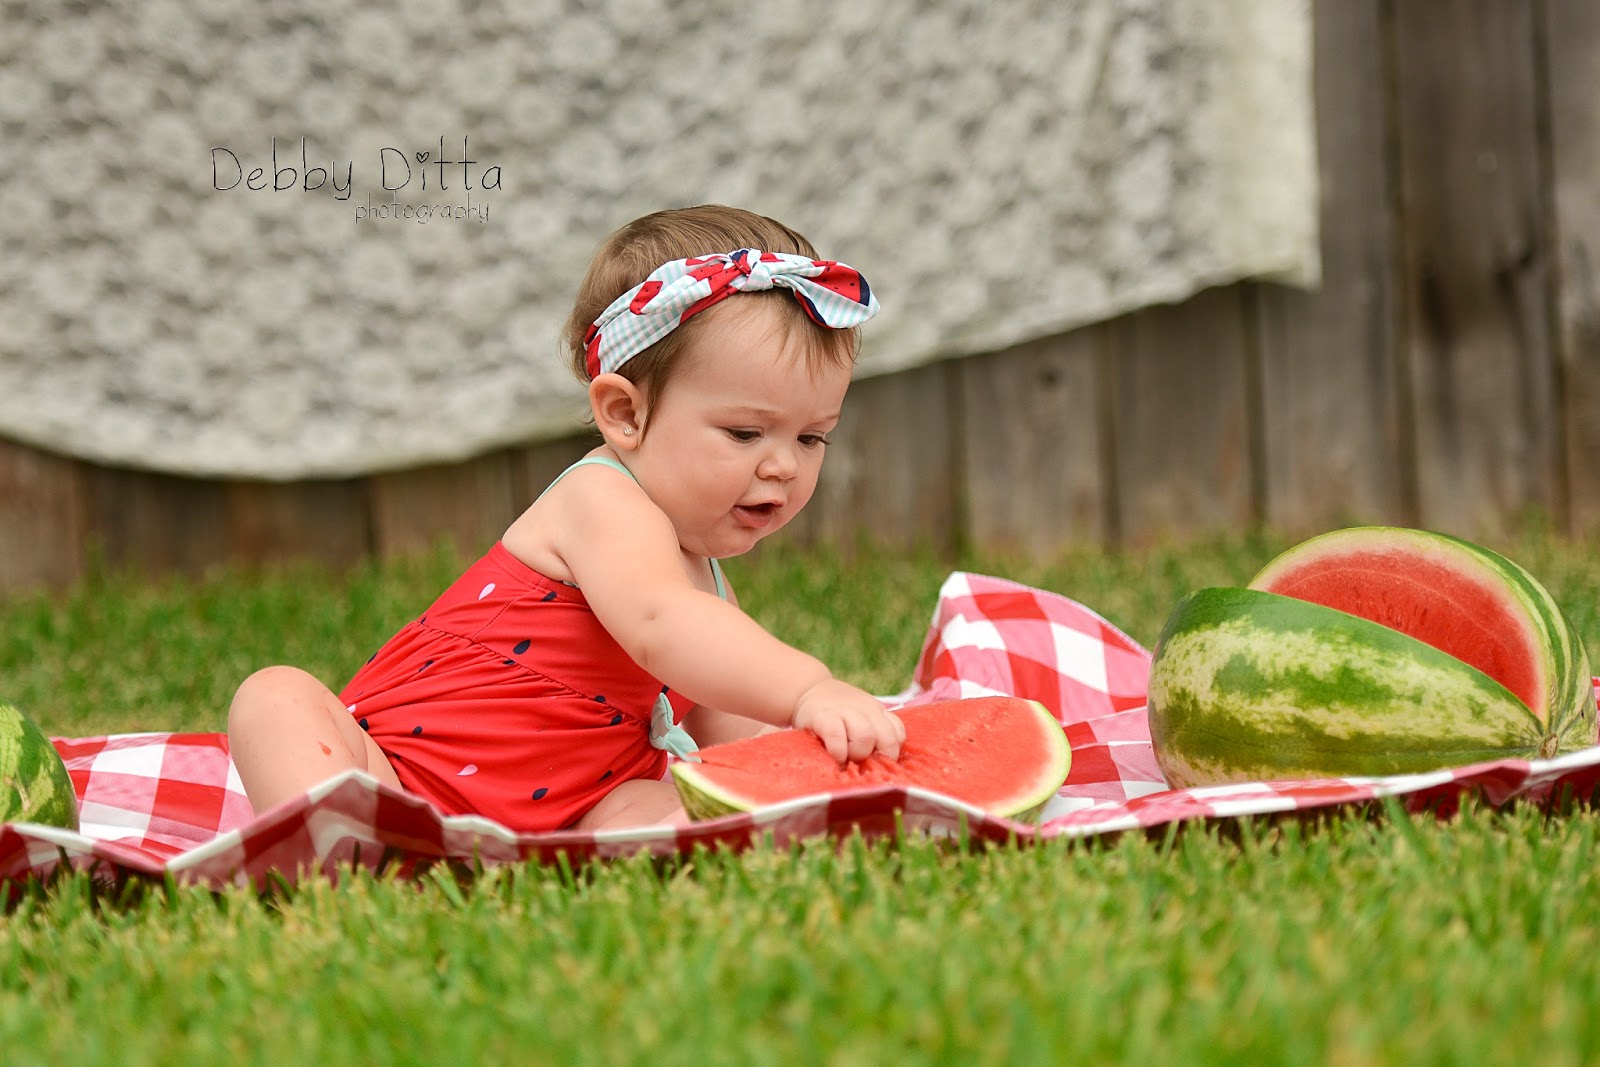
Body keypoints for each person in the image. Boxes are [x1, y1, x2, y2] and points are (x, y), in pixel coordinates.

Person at [227, 204, 906, 832]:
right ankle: (335, 838)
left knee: (692, 805)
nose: (784, 466)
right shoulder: (599, 497)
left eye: (812, 438)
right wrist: (809, 687)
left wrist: (825, 757)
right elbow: (661, 626)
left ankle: (555, 860)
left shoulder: (709, 584)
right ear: (625, 413)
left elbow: (734, 725)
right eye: (745, 433)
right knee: (274, 697)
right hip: (397, 780)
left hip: (578, 809)